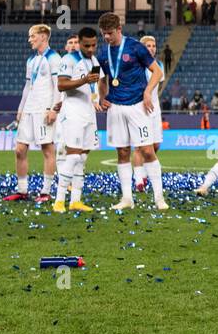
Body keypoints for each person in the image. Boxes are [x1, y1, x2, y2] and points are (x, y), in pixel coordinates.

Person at [96, 13, 167, 210]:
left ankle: (159, 198)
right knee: (122, 152)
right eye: (104, 34)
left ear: (119, 29)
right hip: (116, 107)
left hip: (137, 105)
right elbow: (101, 79)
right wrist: (101, 97)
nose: (107, 37)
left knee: (147, 150)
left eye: (110, 33)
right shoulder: (102, 53)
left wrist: (147, 92)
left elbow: (157, 72)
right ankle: (127, 198)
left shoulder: (136, 47)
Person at [6, 24, 61, 203]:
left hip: (43, 110)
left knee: (47, 149)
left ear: (43, 37)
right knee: (20, 150)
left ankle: (45, 192)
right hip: (29, 110)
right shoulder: (31, 60)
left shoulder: (54, 58)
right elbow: (27, 86)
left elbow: (58, 87)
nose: (29, 39)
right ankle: (22, 191)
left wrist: (54, 109)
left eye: (32, 36)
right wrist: (21, 109)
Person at [52, 27, 101, 213]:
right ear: (79, 43)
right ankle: (59, 200)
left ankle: (76, 200)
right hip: (72, 112)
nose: (90, 49)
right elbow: (62, 84)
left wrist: (100, 98)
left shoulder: (94, 60)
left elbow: (97, 82)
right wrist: (84, 80)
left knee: (82, 157)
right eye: (87, 45)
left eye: (94, 45)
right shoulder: (68, 59)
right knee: (72, 155)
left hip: (89, 112)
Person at [131, 34, 169, 207]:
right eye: (148, 45)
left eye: (154, 45)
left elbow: (157, 88)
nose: (152, 48)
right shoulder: (134, 65)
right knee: (141, 146)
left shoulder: (159, 65)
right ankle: (139, 178)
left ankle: (143, 174)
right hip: (139, 110)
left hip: (154, 110)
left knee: (155, 146)